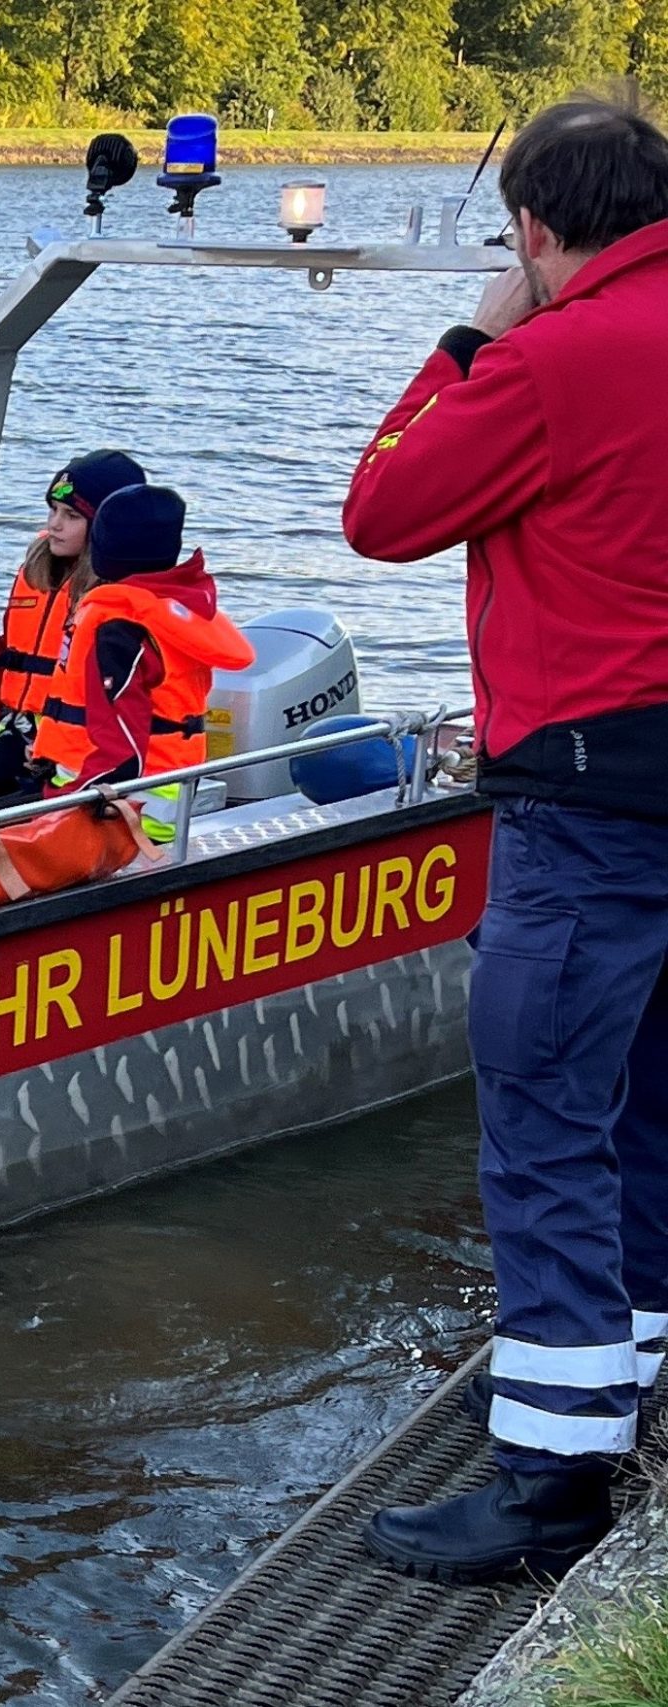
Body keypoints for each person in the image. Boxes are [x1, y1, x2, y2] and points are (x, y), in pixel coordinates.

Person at [342, 93, 668, 1584]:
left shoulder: (548, 359)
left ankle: (550, 1478)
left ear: (535, 229)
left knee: (546, 1114)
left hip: (588, 800)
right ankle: (623, 1362)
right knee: (650, 1101)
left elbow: (383, 508)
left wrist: (467, 342)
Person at [28, 483, 253, 840]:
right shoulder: (171, 610)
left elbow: (121, 751)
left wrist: (64, 805)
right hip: (164, 806)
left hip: (115, 819)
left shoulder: (119, 629)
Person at [0, 449, 147, 820]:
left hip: (77, 747)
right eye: (53, 510)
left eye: (71, 516)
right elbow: (6, 653)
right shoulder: (37, 571)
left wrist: (57, 748)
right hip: (27, 732)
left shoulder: (119, 597)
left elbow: (121, 701)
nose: (55, 525)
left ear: (107, 525)